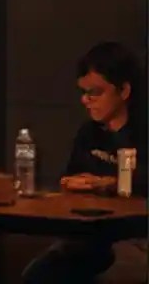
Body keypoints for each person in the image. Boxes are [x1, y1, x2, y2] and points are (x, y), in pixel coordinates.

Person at [22, 41, 147, 284]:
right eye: (83, 92)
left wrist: (108, 183)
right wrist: (73, 185)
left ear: (123, 91)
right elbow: (72, 177)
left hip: (137, 238)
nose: (86, 100)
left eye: (95, 92)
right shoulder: (89, 133)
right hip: (92, 236)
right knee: (39, 274)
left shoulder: (142, 132)